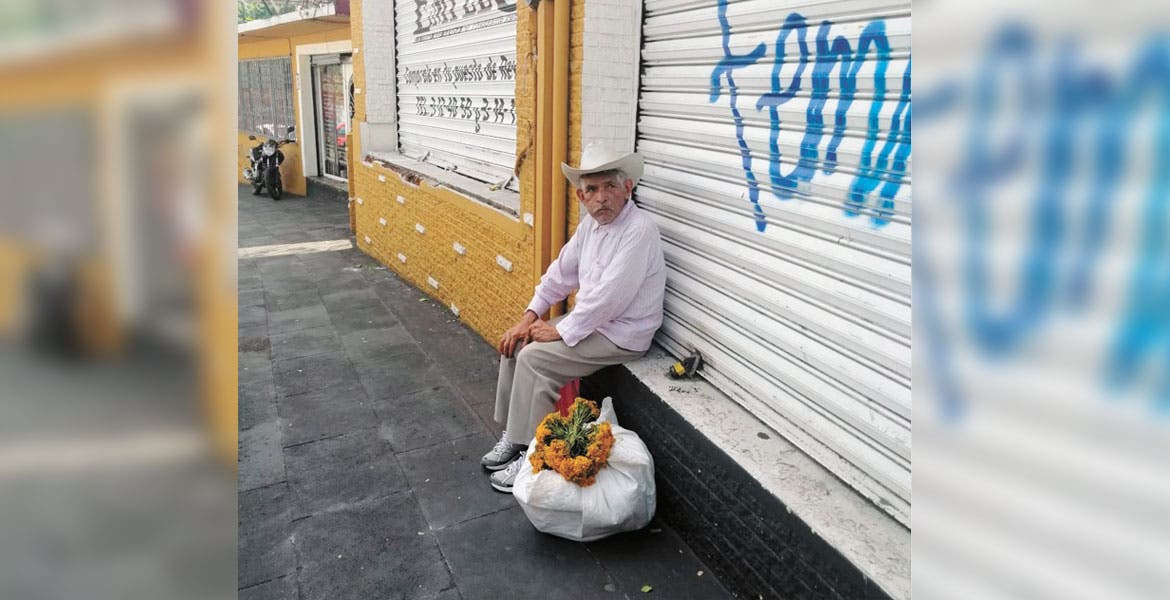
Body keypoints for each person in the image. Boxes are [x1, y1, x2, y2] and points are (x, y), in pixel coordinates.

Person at [482, 143, 666, 493]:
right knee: (519, 342)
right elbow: (559, 275)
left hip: (623, 334)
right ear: (581, 196)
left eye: (610, 186)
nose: (601, 197)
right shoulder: (589, 227)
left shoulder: (639, 230)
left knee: (536, 360)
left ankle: (537, 457)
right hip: (593, 321)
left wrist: (561, 329)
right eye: (592, 190)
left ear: (627, 188)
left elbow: (610, 298)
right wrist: (530, 317)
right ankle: (515, 436)